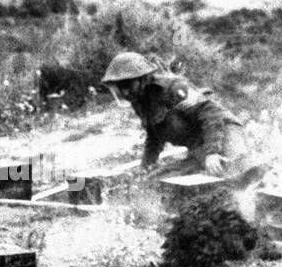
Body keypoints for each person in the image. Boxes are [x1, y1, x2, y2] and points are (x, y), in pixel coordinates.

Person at [99, 51, 250, 176]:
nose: (124, 92)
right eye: (120, 86)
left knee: (239, 172)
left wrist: (212, 153)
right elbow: (154, 137)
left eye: (127, 85)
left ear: (143, 79)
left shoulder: (172, 88)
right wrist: (145, 167)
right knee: (157, 178)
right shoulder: (140, 101)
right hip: (199, 146)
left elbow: (210, 112)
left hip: (224, 131)